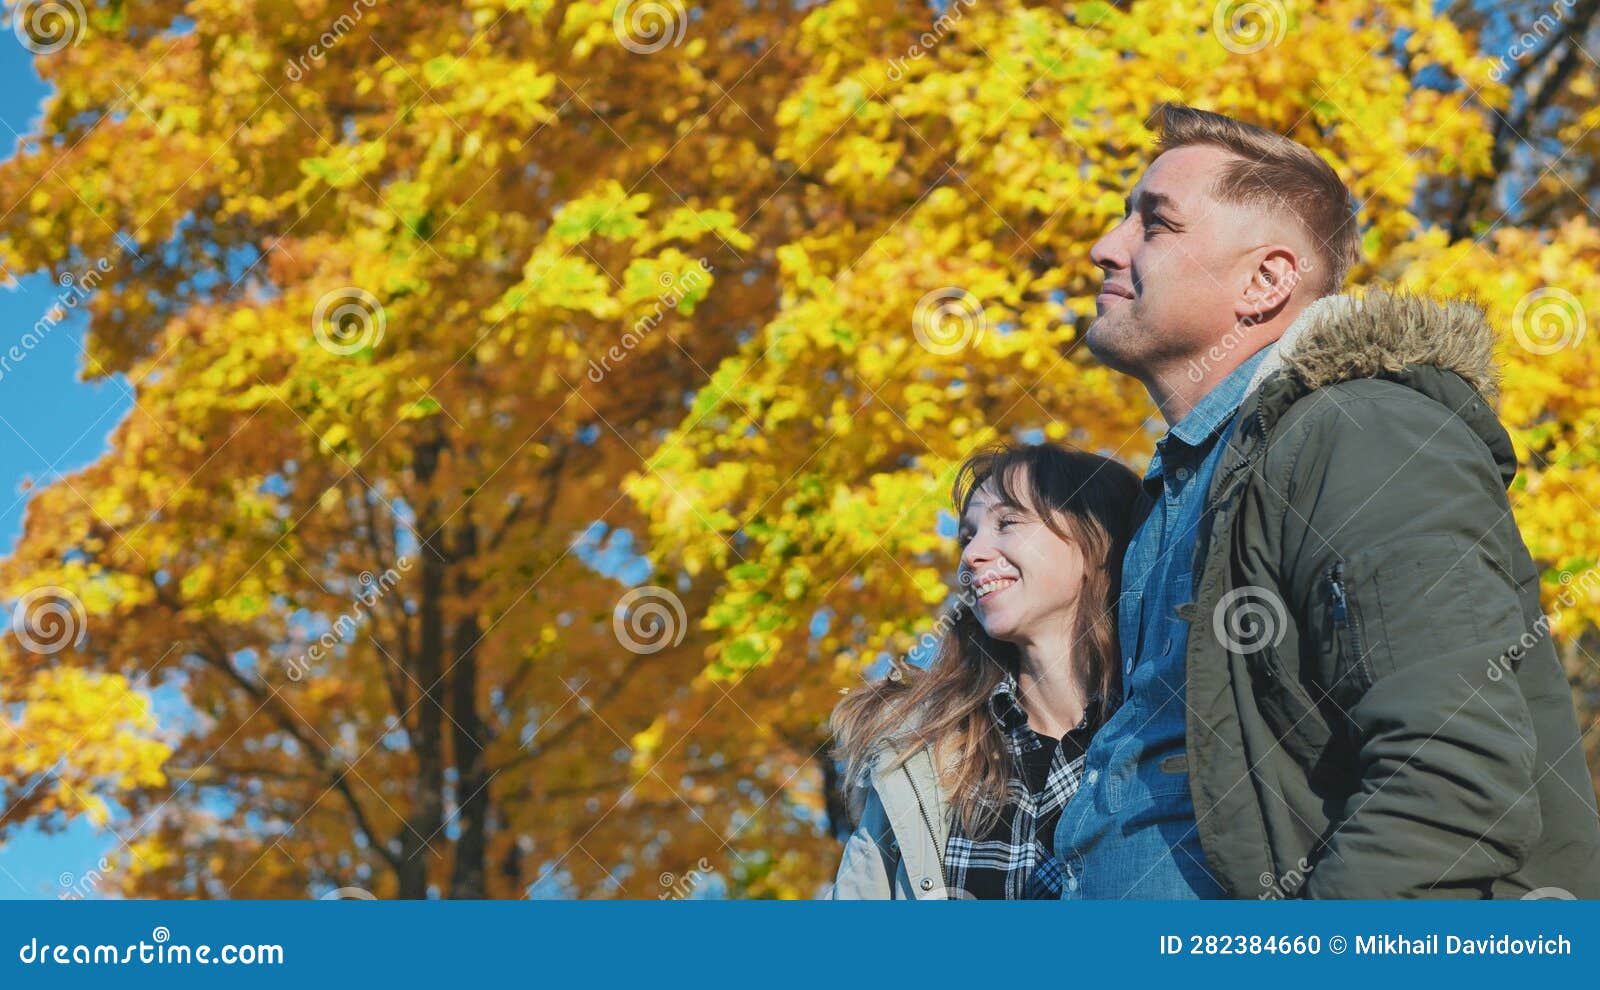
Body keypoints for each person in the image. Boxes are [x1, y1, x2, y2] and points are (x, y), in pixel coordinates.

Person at [1055, 102, 1600, 898]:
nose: (1106, 248)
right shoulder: (1181, 489)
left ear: (1265, 280)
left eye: (1155, 223)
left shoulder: (1364, 432)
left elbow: (1449, 775)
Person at [829, 441, 1141, 898]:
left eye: (1007, 523)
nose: (971, 555)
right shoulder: (917, 754)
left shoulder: (1166, 727)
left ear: (1097, 544)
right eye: (968, 536)